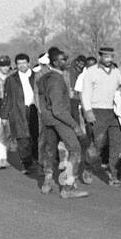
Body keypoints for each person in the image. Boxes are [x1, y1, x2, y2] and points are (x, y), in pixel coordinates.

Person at [36, 47, 89, 199]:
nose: (66, 62)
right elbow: (58, 109)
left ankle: (47, 181)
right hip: (59, 119)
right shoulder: (56, 79)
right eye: (62, 60)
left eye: (65, 58)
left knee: (50, 150)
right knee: (75, 149)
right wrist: (75, 125)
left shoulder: (44, 77)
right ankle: (68, 187)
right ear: (54, 62)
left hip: (48, 119)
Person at [80, 46, 121, 186]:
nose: (109, 59)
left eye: (111, 56)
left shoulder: (117, 72)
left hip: (114, 112)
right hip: (97, 111)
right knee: (98, 144)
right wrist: (88, 111)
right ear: (100, 56)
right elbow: (85, 93)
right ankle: (88, 166)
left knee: (117, 144)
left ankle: (114, 176)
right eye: (106, 56)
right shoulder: (91, 71)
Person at [1, 53, 39, 176]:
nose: (22, 65)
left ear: (29, 63)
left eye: (24, 63)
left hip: (35, 109)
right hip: (18, 111)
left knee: (36, 136)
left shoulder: (37, 77)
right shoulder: (11, 79)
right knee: (22, 138)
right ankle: (28, 164)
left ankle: (37, 161)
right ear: (16, 65)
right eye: (19, 63)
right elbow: (7, 98)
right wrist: (4, 115)